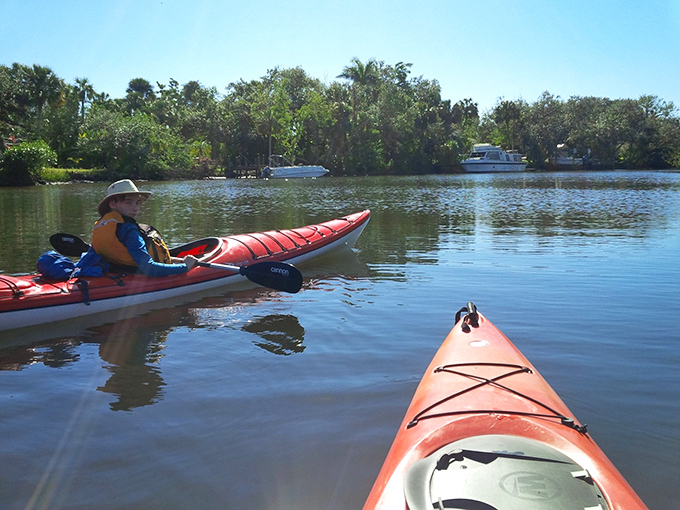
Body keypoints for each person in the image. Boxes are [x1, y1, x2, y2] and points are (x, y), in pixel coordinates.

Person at [91, 179, 198, 276]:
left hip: (117, 272)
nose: (135, 208)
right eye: (129, 203)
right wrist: (185, 267)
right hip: (134, 277)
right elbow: (149, 268)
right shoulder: (129, 231)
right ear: (113, 204)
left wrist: (176, 260)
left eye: (137, 203)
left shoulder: (100, 226)